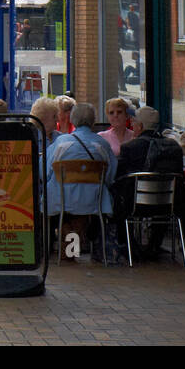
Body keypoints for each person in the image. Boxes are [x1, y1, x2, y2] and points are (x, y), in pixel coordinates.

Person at [46, 103, 117, 261]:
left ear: (73, 119)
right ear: (93, 121)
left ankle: (69, 248)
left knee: (63, 208)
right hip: (93, 201)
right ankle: (72, 248)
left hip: (60, 200)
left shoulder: (61, 143)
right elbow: (111, 176)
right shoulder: (102, 144)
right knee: (81, 212)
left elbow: (44, 171)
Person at [113, 105, 183, 257]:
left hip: (136, 205)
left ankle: (128, 245)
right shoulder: (174, 147)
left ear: (140, 126)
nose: (132, 125)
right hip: (169, 206)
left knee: (117, 197)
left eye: (134, 123)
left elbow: (117, 177)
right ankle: (154, 245)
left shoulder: (130, 147)